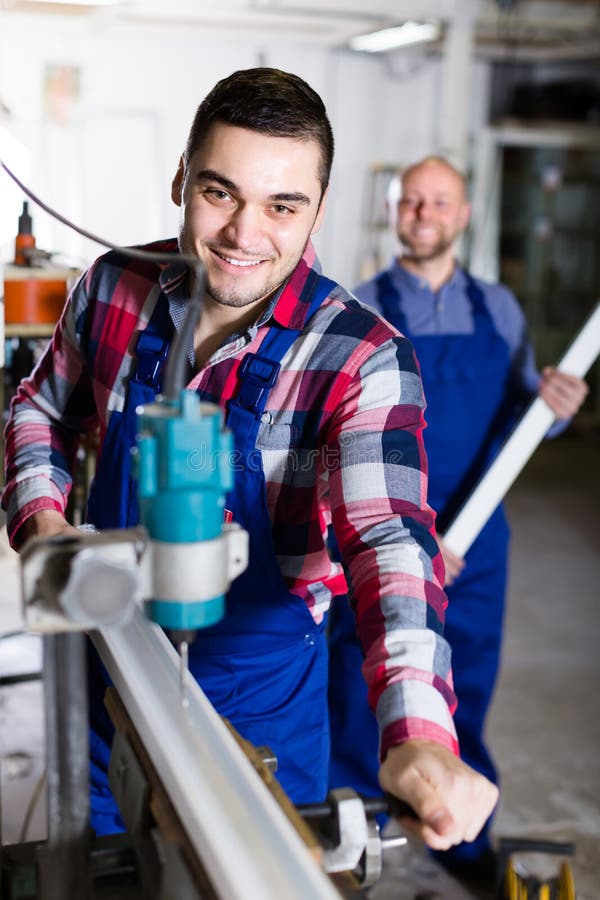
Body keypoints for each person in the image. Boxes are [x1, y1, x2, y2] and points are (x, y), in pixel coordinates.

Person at [2, 73, 497, 846]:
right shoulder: (110, 289)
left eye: (282, 205)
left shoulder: (360, 357)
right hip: (103, 673)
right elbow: (39, 408)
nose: (243, 233)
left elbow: (388, 538)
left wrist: (420, 733)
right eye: (220, 192)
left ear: (319, 209)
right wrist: (44, 522)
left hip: (261, 709)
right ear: (181, 178)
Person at [328, 154, 588, 880]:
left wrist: (555, 410)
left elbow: (519, 413)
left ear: (463, 215)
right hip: (383, 530)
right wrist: (411, 541)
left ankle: (463, 838)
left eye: (440, 202)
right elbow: (341, 435)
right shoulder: (358, 307)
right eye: (412, 201)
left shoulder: (498, 309)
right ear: (393, 211)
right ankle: (358, 838)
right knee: (363, 679)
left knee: (466, 680)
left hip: (478, 541)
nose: (424, 213)